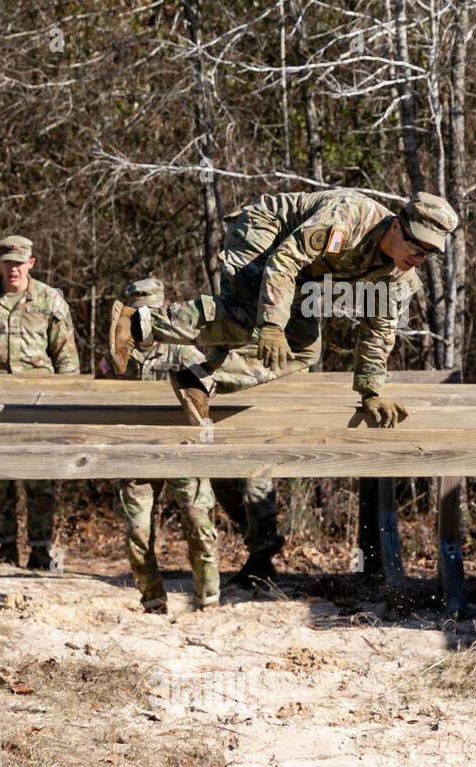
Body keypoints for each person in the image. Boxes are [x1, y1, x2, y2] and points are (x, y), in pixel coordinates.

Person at [109, 189, 458, 583]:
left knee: (304, 349)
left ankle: (201, 378)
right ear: (397, 226)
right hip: (266, 231)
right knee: (247, 316)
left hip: (303, 272)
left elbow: (379, 331)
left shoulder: (399, 279)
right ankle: (140, 323)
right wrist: (272, 324)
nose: (419, 256)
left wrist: (371, 389)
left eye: (429, 253)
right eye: (416, 244)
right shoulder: (347, 217)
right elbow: (285, 259)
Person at [0, 234, 79, 569]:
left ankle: (40, 548)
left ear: (31, 263)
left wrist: (67, 404)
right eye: (7, 262)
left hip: (37, 403)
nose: (13, 269)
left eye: (19, 262)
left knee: (39, 477)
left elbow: (66, 357)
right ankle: (4, 547)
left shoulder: (49, 300)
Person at [110, 279, 219, 612]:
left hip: (183, 452)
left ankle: (208, 600)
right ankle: (153, 599)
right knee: (137, 531)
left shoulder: (184, 348)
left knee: (200, 525)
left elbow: (210, 394)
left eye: (151, 310)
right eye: (137, 309)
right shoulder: (118, 353)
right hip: (136, 453)